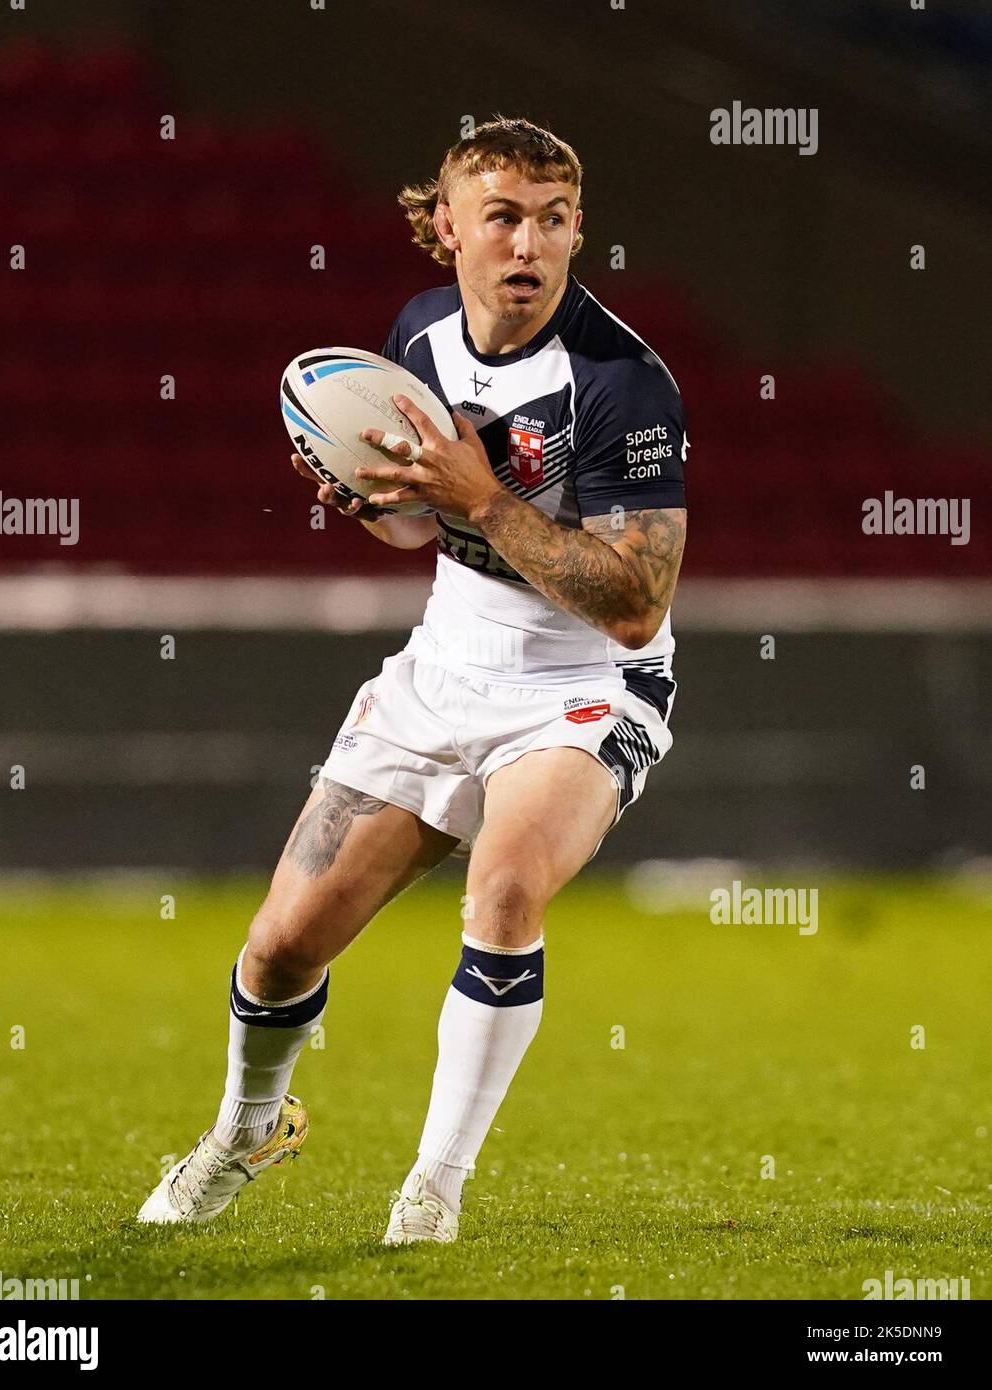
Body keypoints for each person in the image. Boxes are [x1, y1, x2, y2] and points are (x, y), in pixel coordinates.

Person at [139, 115, 688, 1244]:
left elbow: (636, 602)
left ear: (579, 229)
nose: (528, 245)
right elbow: (421, 530)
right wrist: (375, 504)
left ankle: (430, 1190)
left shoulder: (623, 382)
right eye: (501, 218)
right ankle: (248, 1127)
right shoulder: (417, 336)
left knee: (503, 894)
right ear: (446, 229)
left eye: (551, 220)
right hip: (444, 669)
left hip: (587, 686)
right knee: (279, 947)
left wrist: (479, 495)